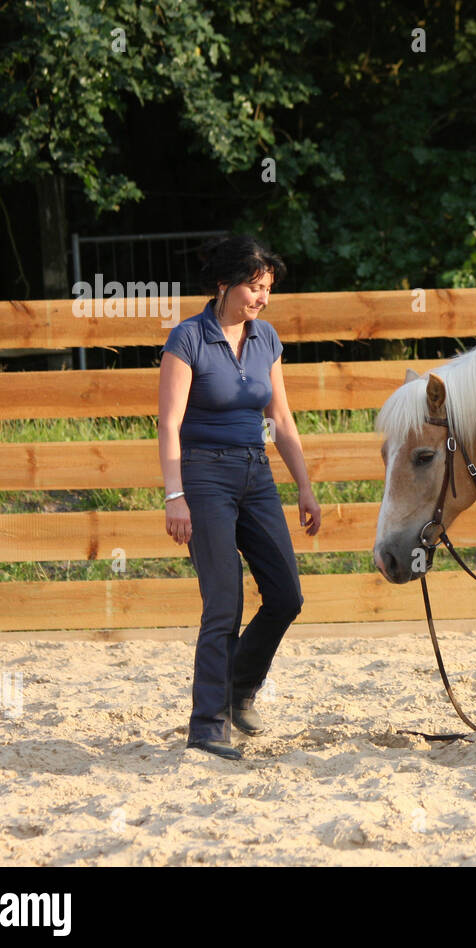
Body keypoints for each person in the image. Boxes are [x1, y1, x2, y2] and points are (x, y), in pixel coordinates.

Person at [157, 235, 321, 760]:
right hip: (203, 477)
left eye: (267, 289)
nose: (262, 298)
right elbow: (169, 423)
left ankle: (239, 688)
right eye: (254, 287)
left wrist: (304, 485)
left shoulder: (266, 338)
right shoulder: (187, 339)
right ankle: (207, 726)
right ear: (224, 285)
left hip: (256, 474)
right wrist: (175, 495)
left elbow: (282, 417)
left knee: (287, 595)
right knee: (223, 603)